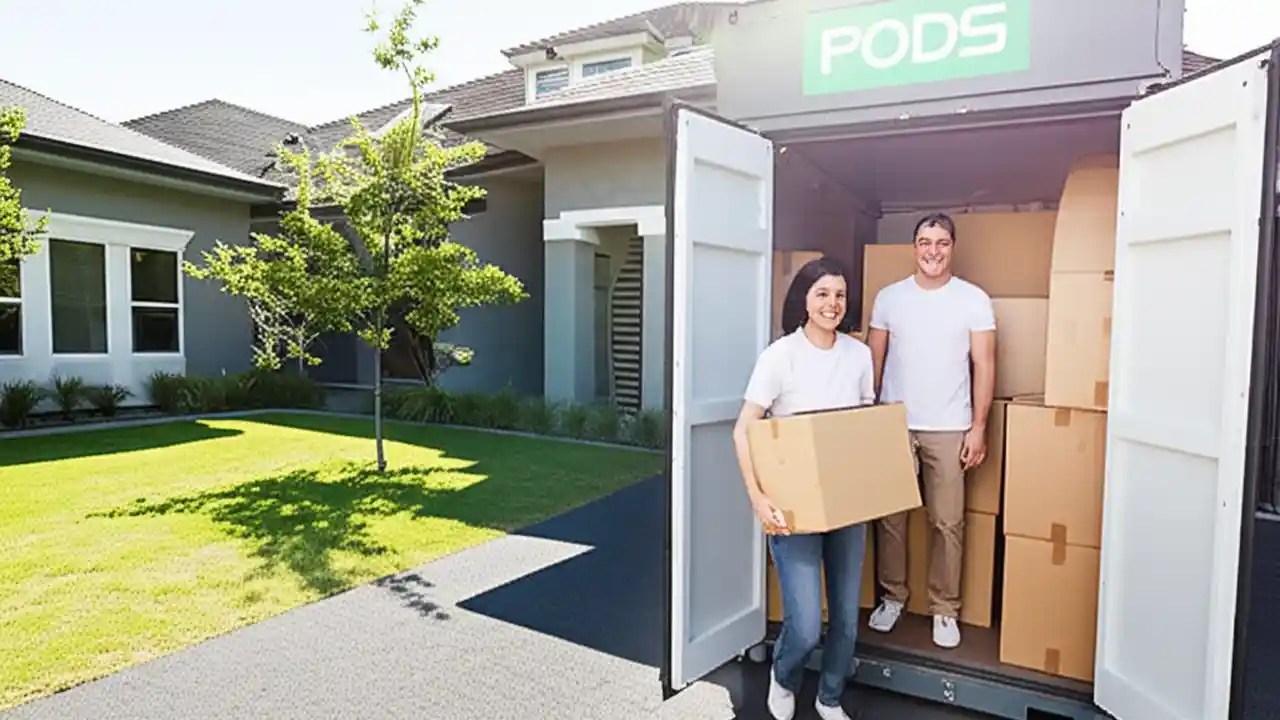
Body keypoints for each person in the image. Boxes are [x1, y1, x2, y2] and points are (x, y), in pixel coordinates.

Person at [731, 256, 876, 720]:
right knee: (808, 625)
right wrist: (758, 498)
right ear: (804, 299)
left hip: (847, 503)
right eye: (822, 294)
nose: (832, 304)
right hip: (792, 507)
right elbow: (744, 429)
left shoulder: (859, 355)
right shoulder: (780, 356)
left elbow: (865, 425)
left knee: (847, 624)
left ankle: (829, 696)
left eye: (840, 295)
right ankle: (784, 675)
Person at [865, 212, 996, 650]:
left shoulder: (974, 299)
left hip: (949, 426)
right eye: (925, 241)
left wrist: (979, 428)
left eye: (941, 242)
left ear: (952, 247)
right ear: (914, 246)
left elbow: (985, 364)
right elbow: (874, 361)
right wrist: (867, 418)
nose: (933, 251)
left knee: (947, 522)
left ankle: (945, 608)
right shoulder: (889, 298)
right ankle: (892, 597)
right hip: (894, 423)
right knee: (890, 519)